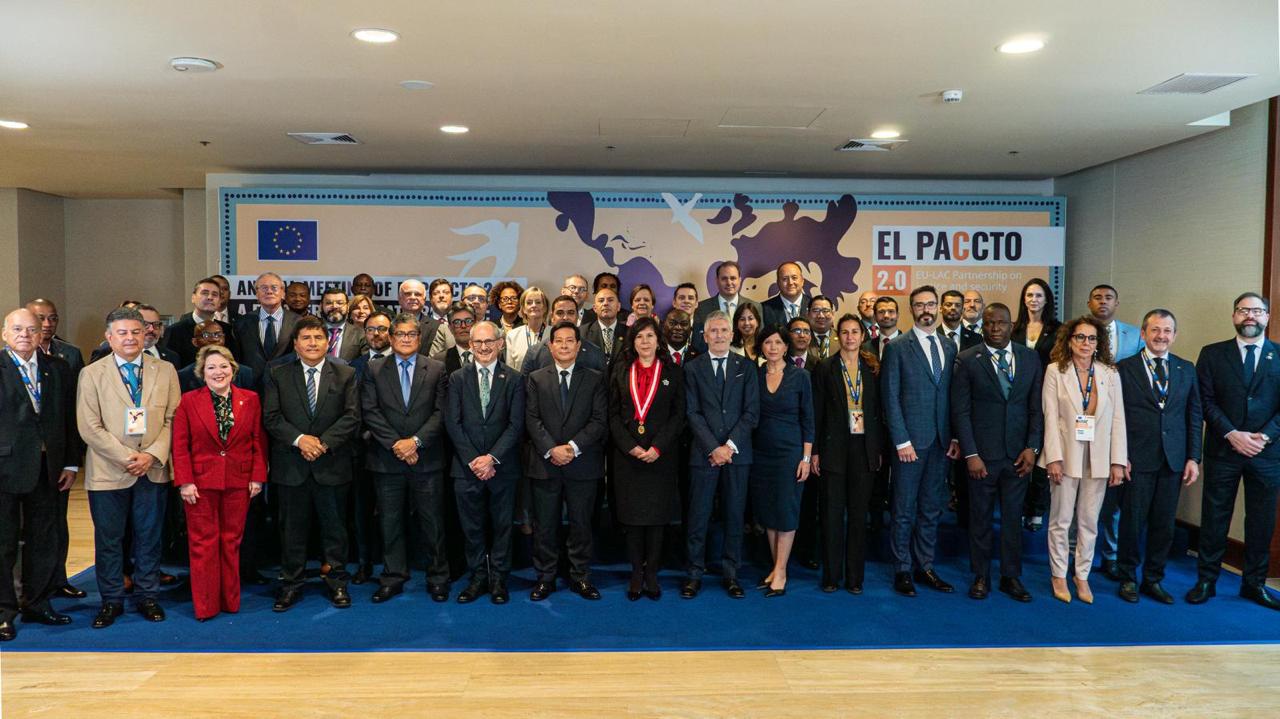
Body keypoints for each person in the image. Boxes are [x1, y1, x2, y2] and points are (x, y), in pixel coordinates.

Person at [77, 307, 181, 628]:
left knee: (150, 536)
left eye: (136, 332)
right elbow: (89, 426)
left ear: (146, 334)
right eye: (122, 333)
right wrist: (126, 457)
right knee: (110, 539)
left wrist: (151, 455)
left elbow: (174, 419)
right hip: (109, 471)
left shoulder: (165, 370)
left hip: (153, 468)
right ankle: (111, 600)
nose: (130, 338)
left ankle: (148, 595)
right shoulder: (92, 374)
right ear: (109, 338)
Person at [262, 316, 361, 612]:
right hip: (292, 467)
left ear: (327, 342)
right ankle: (291, 584)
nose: (313, 343)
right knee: (292, 531)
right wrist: (300, 440)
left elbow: (352, 416)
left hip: (331, 465)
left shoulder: (345, 373)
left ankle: (338, 582)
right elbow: (271, 417)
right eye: (306, 338)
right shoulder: (277, 373)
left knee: (336, 530)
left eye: (318, 337)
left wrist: (322, 443)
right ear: (295, 344)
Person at [1189, 292, 1280, 610]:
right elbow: (1204, 400)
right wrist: (1231, 434)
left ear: (1267, 316)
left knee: (1261, 521)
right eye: (1243, 310)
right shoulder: (1212, 354)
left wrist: (1264, 437)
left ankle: (1254, 584)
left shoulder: (1279, 354)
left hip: (1266, 453)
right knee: (1214, 517)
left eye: (1256, 310)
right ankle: (1206, 580)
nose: (1249, 316)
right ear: (1233, 316)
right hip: (1223, 449)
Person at [950, 303, 1043, 602]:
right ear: (983, 326)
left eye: (1001, 323)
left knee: (1013, 518)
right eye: (989, 323)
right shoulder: (968, 359)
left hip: (1018, 455)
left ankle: (1010, 576)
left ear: (1011, 325)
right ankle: (981, 575)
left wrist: (1032, 447)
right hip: (982, 457)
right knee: (980, 518)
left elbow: (1036, 407)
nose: (995, 328)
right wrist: (971, 454)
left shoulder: (1030, 358)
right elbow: (961, 411)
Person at [170, 345, 267, 621]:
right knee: (203, 544)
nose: (218, 372)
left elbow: (258, 441)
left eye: (223, 366)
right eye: (211, 367)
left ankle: (230, 601)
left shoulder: (250, 399)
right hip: (199, 484)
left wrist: (257, 476)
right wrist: (185, 482)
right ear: (202, 373)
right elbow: (180, 445)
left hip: (239, 481)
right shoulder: (189, 401)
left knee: (231, 542)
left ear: (233, 370)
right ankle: (206, 605)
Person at [0, 309, 80, 640]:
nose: (25, 335)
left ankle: (37, 602)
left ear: (40, 334)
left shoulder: (57, 367)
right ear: (4, 334)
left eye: (31, 329)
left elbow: (68, 417)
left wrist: (71, 463)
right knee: (3, 543)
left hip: (48, 468)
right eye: (17, 329)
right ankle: (4, 611)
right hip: (5, 469)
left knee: (43, 540)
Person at [361, 314, 451, 604]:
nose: (406, 339)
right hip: (387, 460)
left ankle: (438, 578)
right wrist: (396, 445)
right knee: (390, 523)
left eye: (411, 334)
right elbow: (370, 411)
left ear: (419, 338)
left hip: (426, 458)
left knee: (433, 523)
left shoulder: (436, 368)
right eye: (400, 334)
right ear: (390, 338)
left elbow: (441, 413)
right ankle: (393, 576)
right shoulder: (374, 369)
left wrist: (415, 442)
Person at [1115, 309, 1201, 604]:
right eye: (1155, 330)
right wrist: (1120, 455)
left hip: (1173, 459)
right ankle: (1127, 577)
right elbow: (1116, 416)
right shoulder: (1123, 369)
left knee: (1164, 525)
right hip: (1136, 458)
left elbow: (1194, 415)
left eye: (1167, 331)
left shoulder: (1186, 369)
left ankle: (1153, 579)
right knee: (1132, 522)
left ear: (1174, 335)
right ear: (1143, 334)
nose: (1161, 336)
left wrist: (1193, 458)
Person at [1040, 316, 1126, 604]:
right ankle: (1058, 574)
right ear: (1069, 340)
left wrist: (1118, 461)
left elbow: (1118, 419)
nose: (1086, 343)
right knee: (1061, 519)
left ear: (1098, 342)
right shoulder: (1055, 371)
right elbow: (1050, 418)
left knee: (1089, 521)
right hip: (1065, 456)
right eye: (1080, 337)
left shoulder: (1109, 373)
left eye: (1091, 338)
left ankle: (1082, 575)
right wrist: (1053, 457)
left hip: (1098, 457)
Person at [881, 285, 960, 597]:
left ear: (938, 307)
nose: (926, 309)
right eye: (919, 305)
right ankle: (902, 568)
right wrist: (901, 440)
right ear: (911, 309)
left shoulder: (949, 346)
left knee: (931, 508)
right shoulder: (898, 347)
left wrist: (954, 435)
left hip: (941, 442)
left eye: (930, 304)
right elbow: (890, 397)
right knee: (903, 509)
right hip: (910, 444)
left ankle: (924, 565)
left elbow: (953, 396)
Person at [443, 321, 525, 605]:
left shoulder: (514, 379)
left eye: (489, 341)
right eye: (477, 342)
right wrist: (474, 460)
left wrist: (491, 458)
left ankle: (499, 578)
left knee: (502, 526)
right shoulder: (457, 378)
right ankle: (478, 576)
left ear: (500, 343)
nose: (483, 347)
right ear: (470, 345)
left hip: (503, 467)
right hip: (467, 469)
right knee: (472, 527)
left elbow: (516, 425)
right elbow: (452, 423)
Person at [525, 321, 608, 601]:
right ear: (550, 346)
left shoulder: (595, 378)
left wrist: (572, 448)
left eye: (569, 340)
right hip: (545, 464)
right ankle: (545, 578)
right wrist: (552, 449)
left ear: (578, 345)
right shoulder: (536, 379)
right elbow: (531, 419)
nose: (563, 345)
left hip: (582, 464)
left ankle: (580, 577)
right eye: (558, 341)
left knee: (581, 524)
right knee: (545, 526)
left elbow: (599, 420)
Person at [682, 311, 759, 599]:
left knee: (734, 516)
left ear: (732, 334)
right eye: (713, 331)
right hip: (704, 455)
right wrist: (713, 448)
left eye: (723, 330)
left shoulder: (746, 367)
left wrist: (729, 447)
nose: (719, 335)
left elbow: (751, 412)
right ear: (704, 336)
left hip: (738, 455)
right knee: (698, 517)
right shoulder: (692, 368)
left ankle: (731, 573)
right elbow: (692, 412)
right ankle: (693, 574)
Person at [609, 316, 686, 600]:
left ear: (658, 340)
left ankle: (651, 573)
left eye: (650, 336)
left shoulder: (673, 371)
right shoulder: (620, 370)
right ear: (633, 341)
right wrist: (630, 446)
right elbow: (612, 413)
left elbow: (678, 415)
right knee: (632, 518)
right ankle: (635, 573)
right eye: (639, 336)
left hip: (660, 458)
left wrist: (658, 447)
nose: (644, 341)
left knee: (656, 518)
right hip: (627, 457)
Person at [812, 314, 883, 593]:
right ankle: (831, 576)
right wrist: (815, 452)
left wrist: (877, 449)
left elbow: (878, 411)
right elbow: (817, 412)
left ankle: (855, 578)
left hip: (864, 448)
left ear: (863, 336)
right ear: (837, 335)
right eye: (844, 332)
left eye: (855, 332)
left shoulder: (872, 367)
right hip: (833, 449)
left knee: (857, 515)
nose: (850, 337)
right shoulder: (825, 368)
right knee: (831, 515)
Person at [26, 297, 86, 599]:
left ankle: (58, 578)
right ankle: (27, 587)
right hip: (23, 459)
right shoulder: (11, 361)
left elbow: (73, 409)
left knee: (57, 522)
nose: (47, 324)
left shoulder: (69, 355)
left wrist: (73, 459)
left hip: (57, 455)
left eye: (52, 318)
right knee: (28, 528)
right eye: (40, 319)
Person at [749, 325, 815, 597]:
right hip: (760, 453)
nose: (773, 347)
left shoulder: (801, 376)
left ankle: (781, 571)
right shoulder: (755, 375)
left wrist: (806, 458)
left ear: (787, 347)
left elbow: (808, 419)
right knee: (768, 512)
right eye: (768, 343)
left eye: (778, 343)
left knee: (786, 511)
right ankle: (775, 567)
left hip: (790, 453)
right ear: (761, 347)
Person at [1087, 283, 1144, 580]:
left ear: (1117, 303)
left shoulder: (1134, 336)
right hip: (1085, 417)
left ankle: (1110, 554)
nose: (1103, 302)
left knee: (1114, 494)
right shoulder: (1079, 332)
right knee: (1080, 493)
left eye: (1108, 297)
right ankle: (1076, 553)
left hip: (1121, 417)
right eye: (1097, 297)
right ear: (1089, 303)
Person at [1012, 277, 1061, 533]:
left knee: (1043, 454)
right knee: (1020, 453)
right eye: (1029, 295)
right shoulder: (1014, 329)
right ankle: (1019, 507)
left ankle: (1036, 510)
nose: (1034, 300)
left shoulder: (1059, 330)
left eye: (1039, 295)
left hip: (1048, 397)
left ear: (1047, 300)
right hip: (1019, 399)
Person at [234, 272, 299, 380]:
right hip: (251, 384)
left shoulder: (297, 322)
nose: (269, 291)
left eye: (274, 288)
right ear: (257, 294)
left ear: (283, 293)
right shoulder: (241, 323)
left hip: (286, 383)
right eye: (264, 288)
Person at [165, 278, 239, 368]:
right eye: (205, 293)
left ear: (220, 301)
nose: (210, 297)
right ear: (193, 298)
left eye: (215, 294)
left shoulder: (228, 330)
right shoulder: (175, 331)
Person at [521, 296, 607, 374]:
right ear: (552, 317)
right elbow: (525, 385)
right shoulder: (534, 353)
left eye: (571, 313)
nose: (565, 317)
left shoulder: (595, 353)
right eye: (560, 313)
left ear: (577, 317)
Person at [693, 261, 761, 353]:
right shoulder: (701, 308)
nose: (729, 282)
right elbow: (698, 343)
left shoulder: (756, 306)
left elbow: (760, 339)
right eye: (724, 279)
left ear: (740, 280)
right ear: (717, 281)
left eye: (733, 278)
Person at [177, 321, 256, 392]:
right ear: (194, 342)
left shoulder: (245, 373)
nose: (214, 339)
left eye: (218, 334)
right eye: (206, 335)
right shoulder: (184, 375)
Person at [503, 286, 550, 372]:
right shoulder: (512, 335)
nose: (534, 305)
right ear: (523, 309)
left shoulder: (554, 333)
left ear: (545, 308)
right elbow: (509, 371)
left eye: (538, 302)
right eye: (529, 303)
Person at [399, 279, 446, 358]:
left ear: (424, 300)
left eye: (417, 294)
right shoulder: (389, 324)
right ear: (399, 298)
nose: (413, 297)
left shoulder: (437, 327)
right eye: (408, 294)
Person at [319, 287, 367, 361]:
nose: (334, 306)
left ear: (348, 307)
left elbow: (366, 362)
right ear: (321, 306)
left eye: (340, 303)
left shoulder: (361, 334)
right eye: (329, 303)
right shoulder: (310, 331)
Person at [762, 261, 810, 329]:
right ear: (778, 282)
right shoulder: (764, 308)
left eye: (794, 278)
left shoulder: (813, 305)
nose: (790, 283)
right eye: (785, 279)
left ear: (802, 281)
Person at [583, 287, 625, 364]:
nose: (605, 304)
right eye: (601, 300)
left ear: (618, 306)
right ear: (594, 308)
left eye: (610, 300)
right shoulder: (582, 332)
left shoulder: (629, 333)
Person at [939, 290, 981, 354]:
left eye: (957, 305)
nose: (953, 308)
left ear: (963, 310)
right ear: (940, 309)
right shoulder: (932, 336)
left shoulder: (976, 338)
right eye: (948, 305)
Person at [673, 282, 703, 350]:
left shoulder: (706, 330)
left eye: (690, 298)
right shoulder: (663, 330)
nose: (686, 301)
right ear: (674, 303)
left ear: (696, 304)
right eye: (681, 298)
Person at [805, 295, 836, 361]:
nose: (821, 316)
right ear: (808, 314)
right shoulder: (801, 338)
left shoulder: (842, 338)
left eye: (825, 311)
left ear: (833, 314)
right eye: (816, 310)